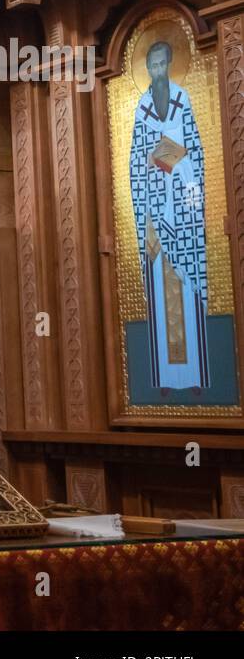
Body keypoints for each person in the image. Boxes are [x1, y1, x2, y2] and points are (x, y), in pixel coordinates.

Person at [130, 40, 209, 394]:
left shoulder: (182, 99)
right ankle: (164, 378)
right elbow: (135, 160)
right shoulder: (142, 108)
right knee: (160, 290)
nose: (158, 72)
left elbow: (195, 149)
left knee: (187, 290)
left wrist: (164, 158)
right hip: (153, 212)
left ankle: (193, 377)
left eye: (163, 64)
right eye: (153, 66)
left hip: (182, 209)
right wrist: (151, 165)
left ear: (171, 64)